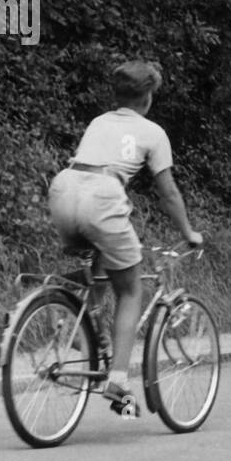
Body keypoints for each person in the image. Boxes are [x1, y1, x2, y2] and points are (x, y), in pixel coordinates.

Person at [47, 61, 202, 417]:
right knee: (131, 289)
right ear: (148, 97)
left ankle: (84, 326)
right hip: (102, 197)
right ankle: (118, 379)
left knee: (101, 264)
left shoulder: (99, 122)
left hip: (64, 188)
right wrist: (188, 233)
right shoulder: (153, 132)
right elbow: (169, 194)